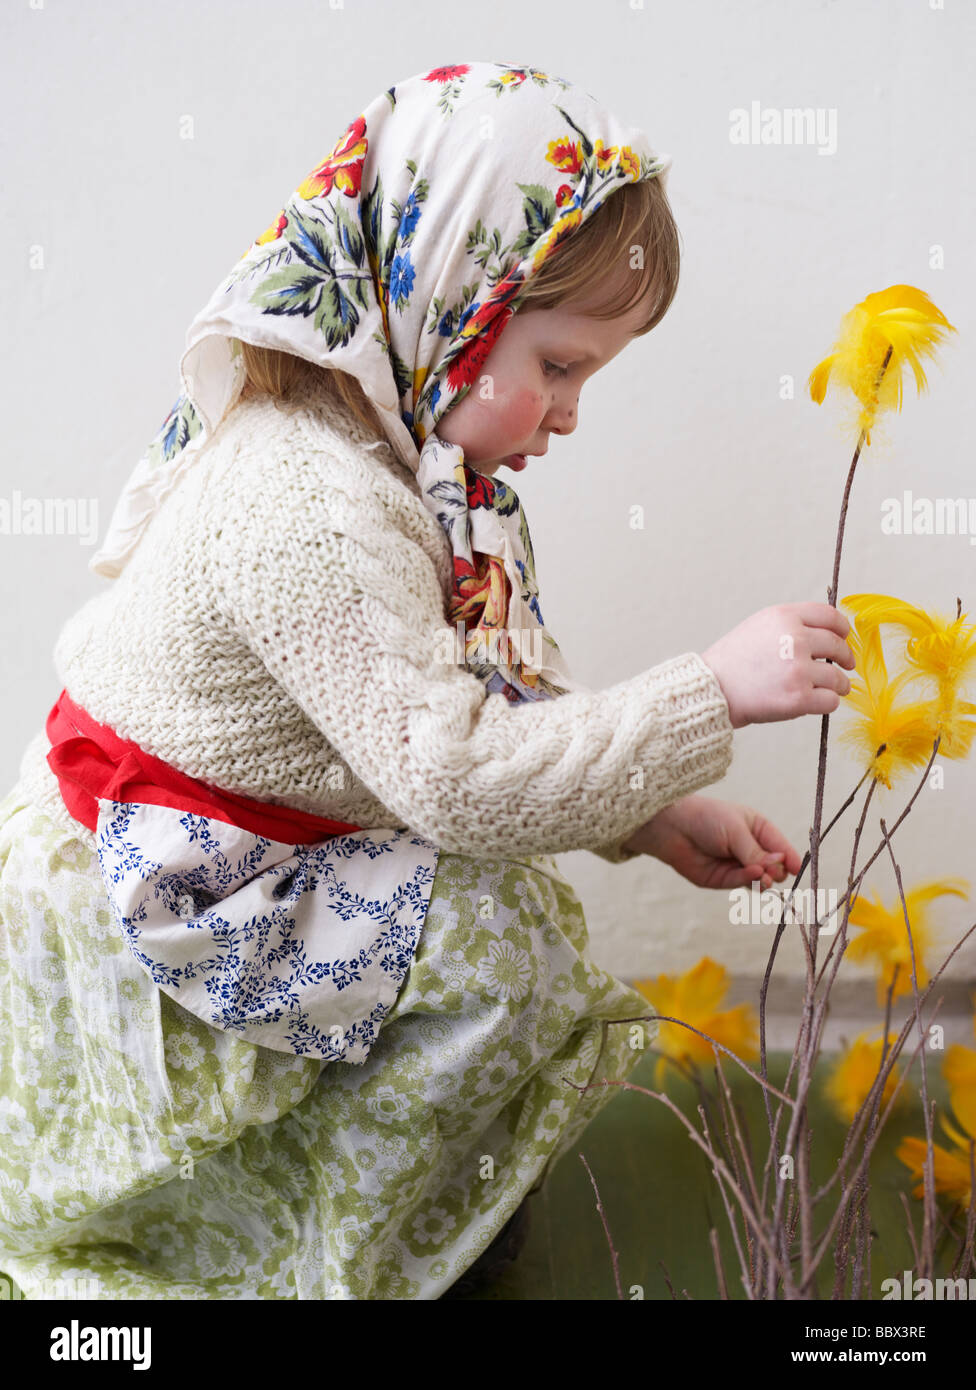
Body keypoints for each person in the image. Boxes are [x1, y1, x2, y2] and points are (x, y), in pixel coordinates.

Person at [0, 59, 854, 1301]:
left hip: (240, 830)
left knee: (497, 928)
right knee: (499, 947)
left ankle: (355, 1214)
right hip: (156, 871)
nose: (567, 414)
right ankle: (307, 1254)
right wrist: (707, 693)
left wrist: (647, 813)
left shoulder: (399, 462)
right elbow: (454, 777)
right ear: (447, 292)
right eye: (558, 365)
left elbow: (465, 705)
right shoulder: (313, 499)